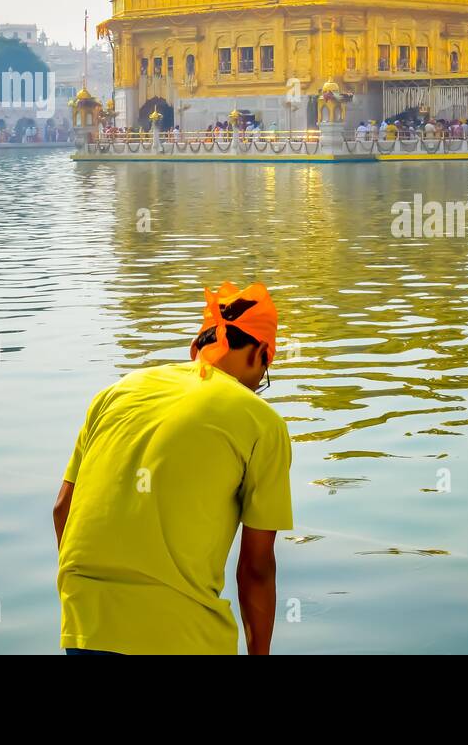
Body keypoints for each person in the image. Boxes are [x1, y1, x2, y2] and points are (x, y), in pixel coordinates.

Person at [54, 281, 293, 655]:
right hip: (182, 637)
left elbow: (62, 510)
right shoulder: (262, 423)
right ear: (262, 353)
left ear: (197, 346)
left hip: (84, 626)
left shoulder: (114, 394)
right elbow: (256, 569)